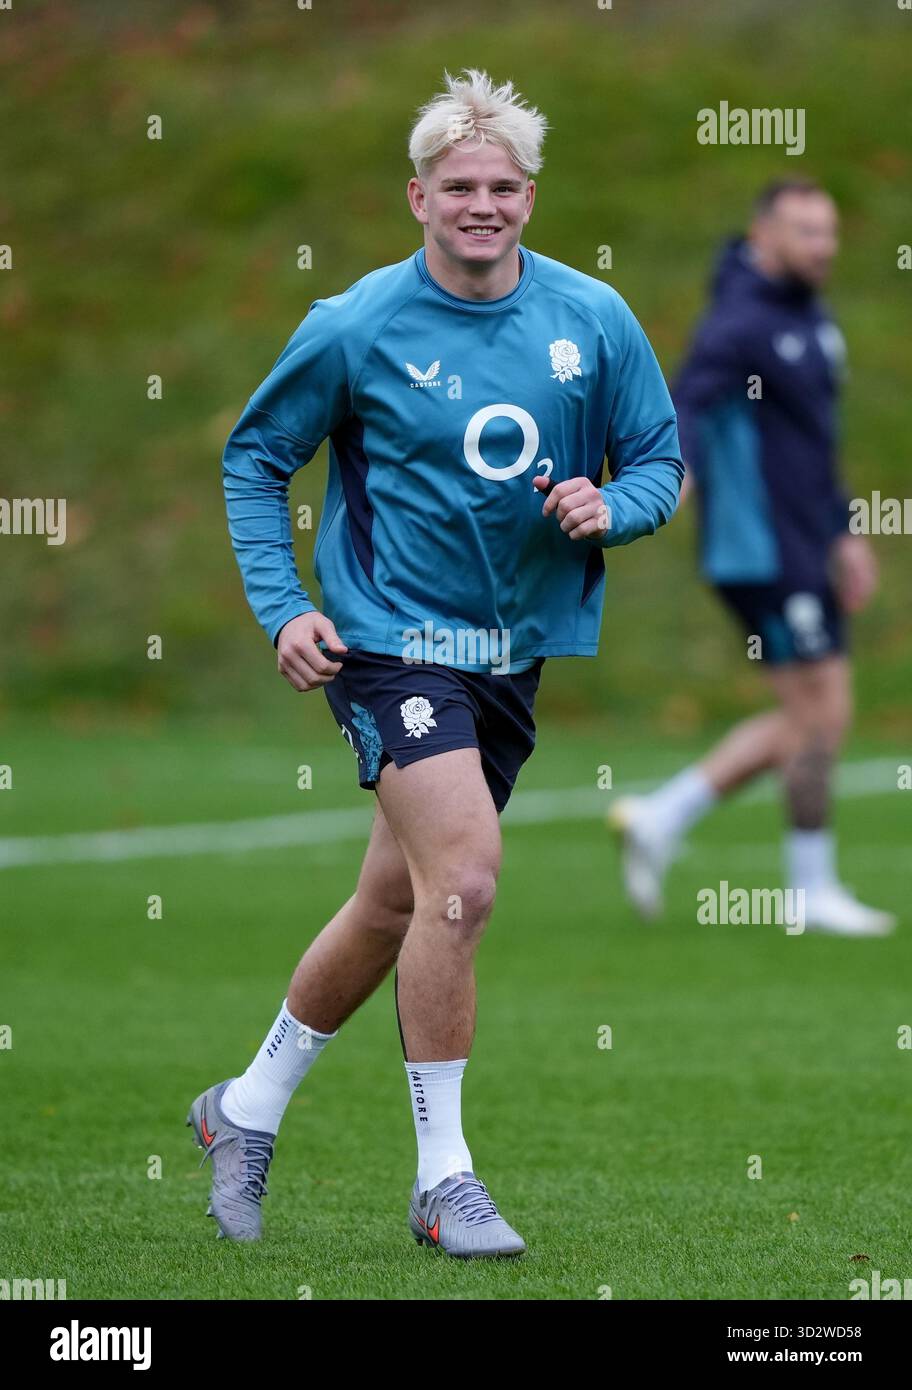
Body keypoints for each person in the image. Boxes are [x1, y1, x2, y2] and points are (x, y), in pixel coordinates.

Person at [189, 68, 683, 1256]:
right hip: (388, 643)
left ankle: (242, 1108)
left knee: (396, 900)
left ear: (530, 195)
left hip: (508, 659)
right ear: (417, 196)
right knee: (464, 877)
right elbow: (257, 459)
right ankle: (443, 1179)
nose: (483, 204)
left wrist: (608, 509)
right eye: (459, 185)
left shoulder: (593, 319)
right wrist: (283, 605)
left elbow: (661, 464)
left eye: (503, 186)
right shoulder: (356, 324)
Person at [611, 179, 894, 937]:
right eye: (806, 231)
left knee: (813, 714)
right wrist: (677, 475)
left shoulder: (808, 315)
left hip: (806, 540)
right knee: (821, 712)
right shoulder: (737, 323)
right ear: (763, 234)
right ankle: (809, 886)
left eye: (829, 231)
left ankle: (661, 817)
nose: (823, 246)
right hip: (760, 546)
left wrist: (844, 533)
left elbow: (812, 443)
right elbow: (689, 404)